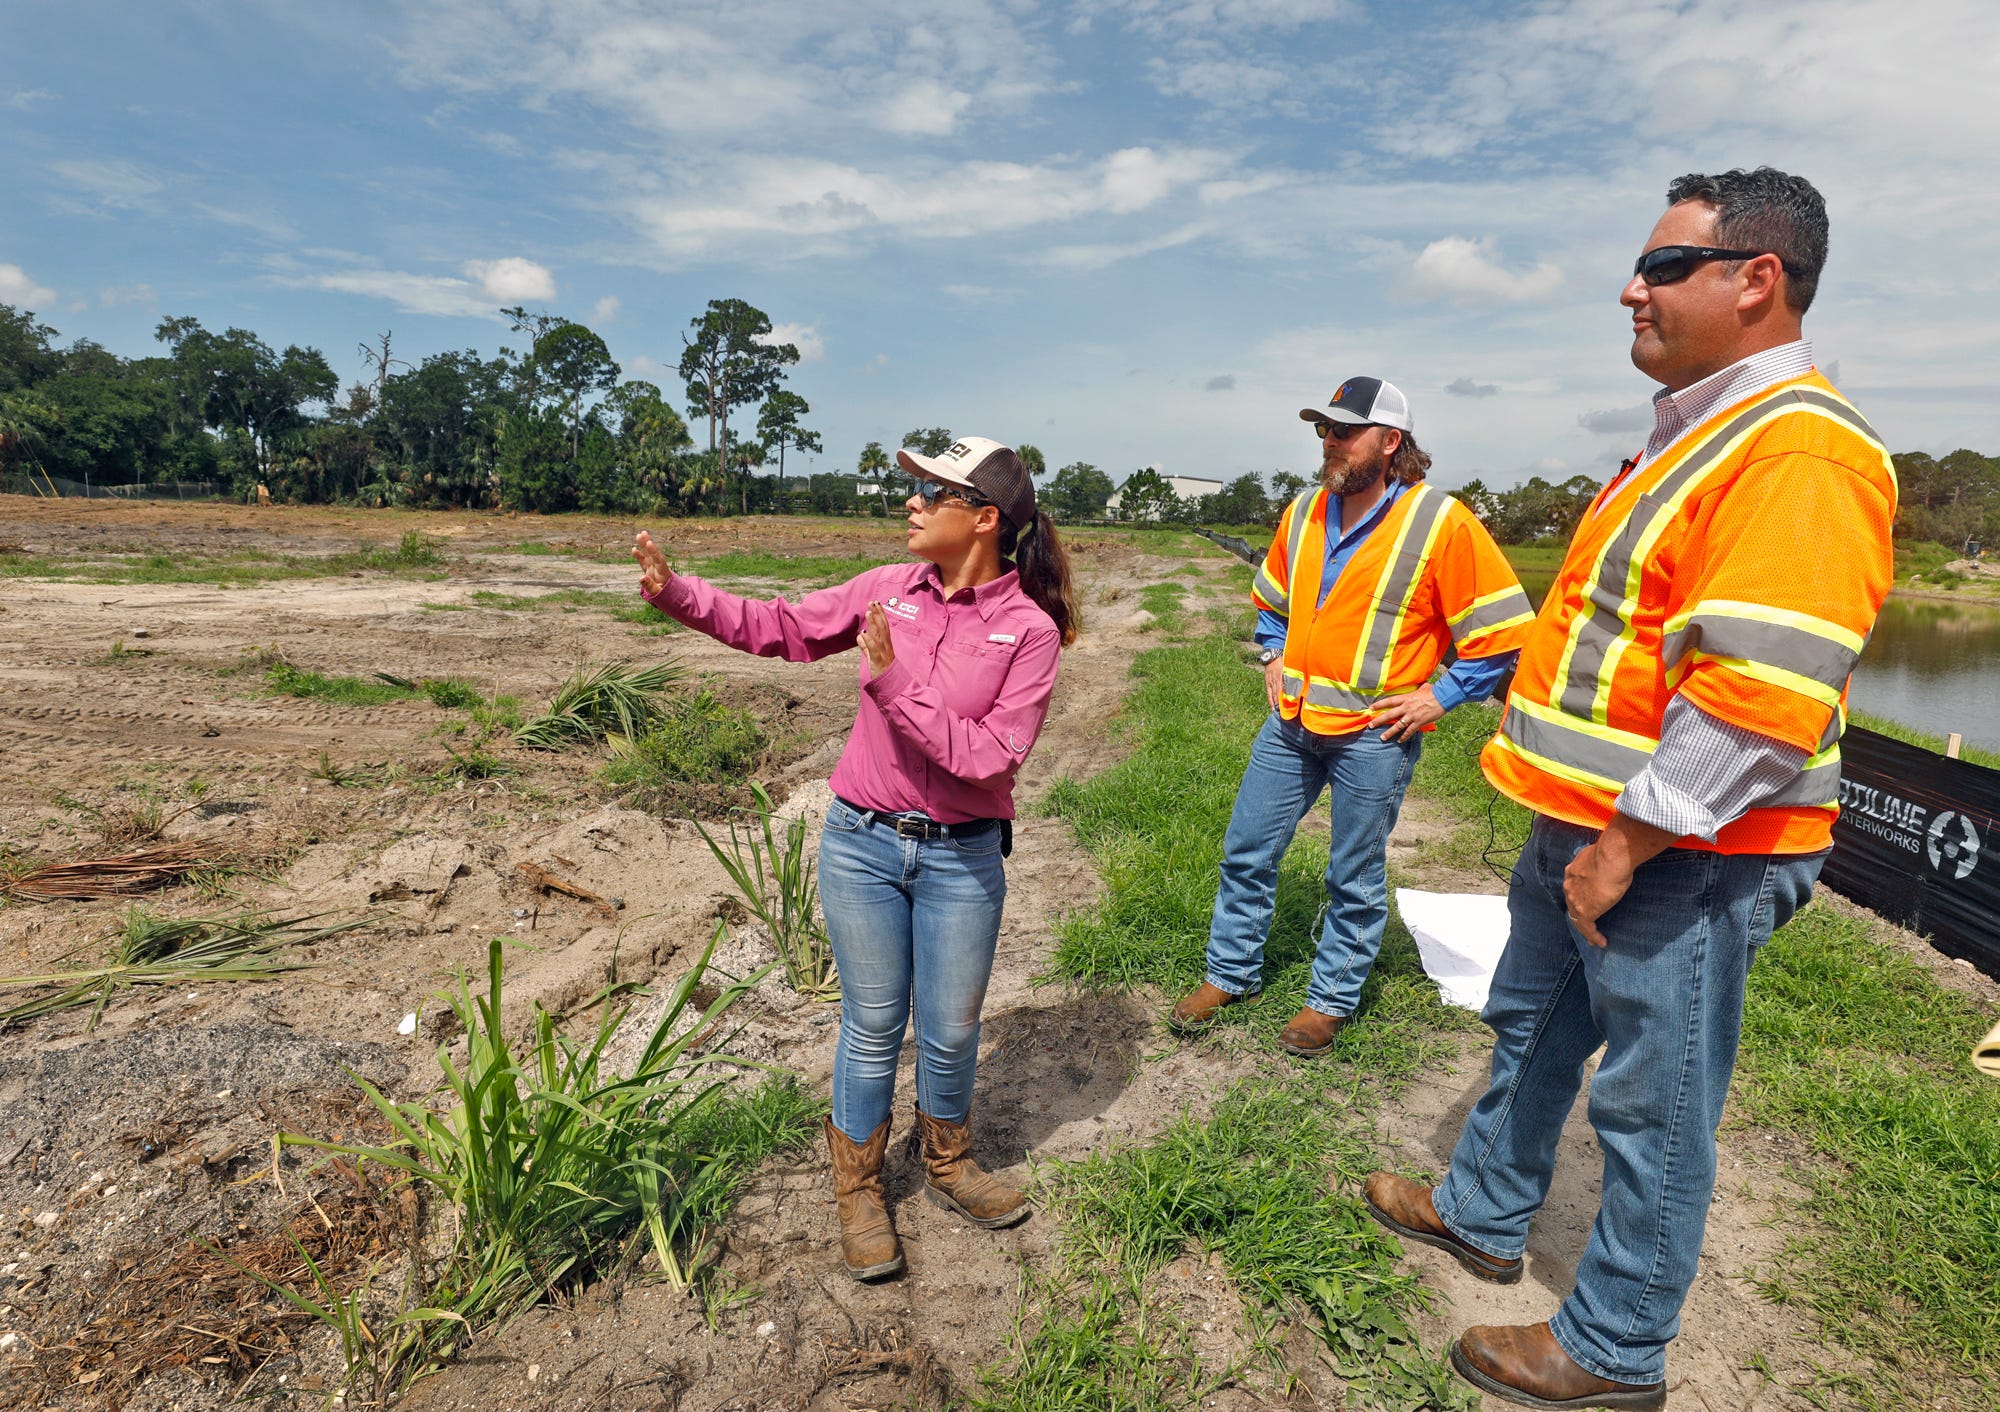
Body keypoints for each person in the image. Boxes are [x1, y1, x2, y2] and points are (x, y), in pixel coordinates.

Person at [1361, 168, 1897, 1410]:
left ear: (1754, 278)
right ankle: (1485, 1209)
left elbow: (1756, 697)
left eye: (1659, 266)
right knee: (1530, 1022)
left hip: (1687, 851)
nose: (1628, 288)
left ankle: (1612, 1344)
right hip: (1591, 828)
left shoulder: (1799, 450)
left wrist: (1622, 843)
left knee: (1650, 1106)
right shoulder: (1696, 433)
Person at [632, 436, 1078, 1283]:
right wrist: (678, 594)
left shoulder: (1028, 632)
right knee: (872, 1027)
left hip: (961, 859)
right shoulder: (886, 591)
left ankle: (946, 1162)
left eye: (931, 493)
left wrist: (889, 684)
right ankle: (860, 1188)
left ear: (984, 518)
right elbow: (784, 628)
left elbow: (987, 759)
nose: (908, 505)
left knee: (948, 1031)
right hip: (863, 846)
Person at [1168, 378, 1533, 1055]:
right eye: (1324, 429)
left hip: (1374, 735)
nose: (1330, 441)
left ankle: (1329, 1000)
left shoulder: (1439, 522)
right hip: (1291, 723)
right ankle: (1229, 974)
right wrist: (1272, 653)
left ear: (1390, 443)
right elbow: (1273, 599)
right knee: (1247, 851)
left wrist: (1440, 696)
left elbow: (1504, 630)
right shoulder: (1304, 510)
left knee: (1352, 874)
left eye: (1345, 429)